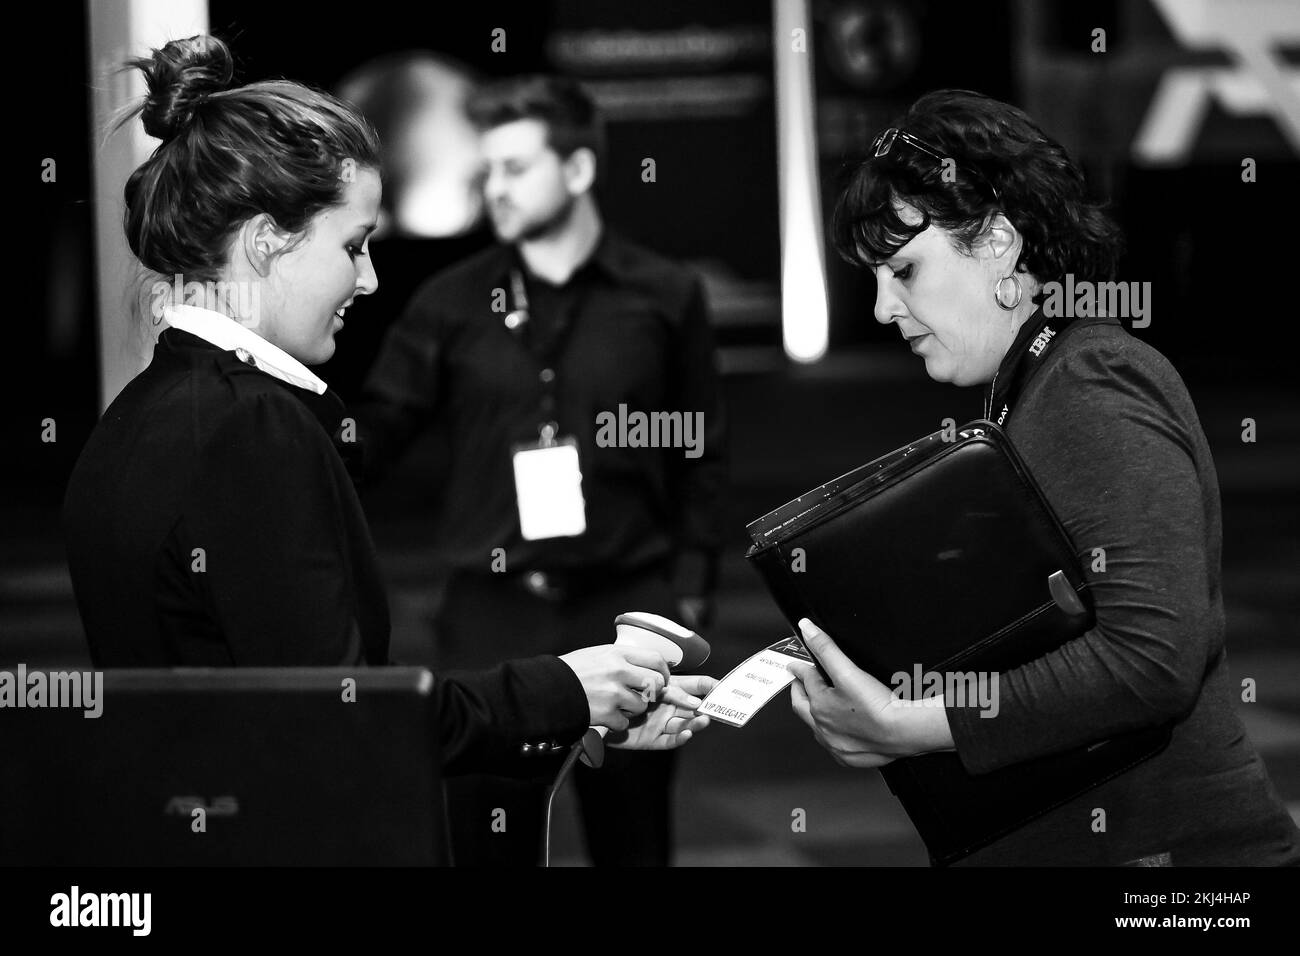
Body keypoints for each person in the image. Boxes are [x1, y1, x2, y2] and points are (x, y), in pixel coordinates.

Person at [61, 35, 715, 789]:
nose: (370, 280)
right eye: (354, 245)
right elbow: (348, 720)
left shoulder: (136, 418)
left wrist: (576, 712)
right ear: (269, 242)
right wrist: (567, 690)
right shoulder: (252, 428)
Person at [787, 89, 1300, 866]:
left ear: (996, 240)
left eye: (903, 269)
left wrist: (909, 723)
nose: (886, 307)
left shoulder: (1090, 380)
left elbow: (1151, 660)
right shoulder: (1037, 387)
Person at [353, 75, 728, 866]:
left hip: (627, 605)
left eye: (517, 168)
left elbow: (700, 446)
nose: (496, 190)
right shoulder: (450, 301)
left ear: (580, 171)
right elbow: (372, 436)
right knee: (488, 843)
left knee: (634, 841)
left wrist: (689, 587)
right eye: (489, 171)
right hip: (493, 618)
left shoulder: (664, 294)